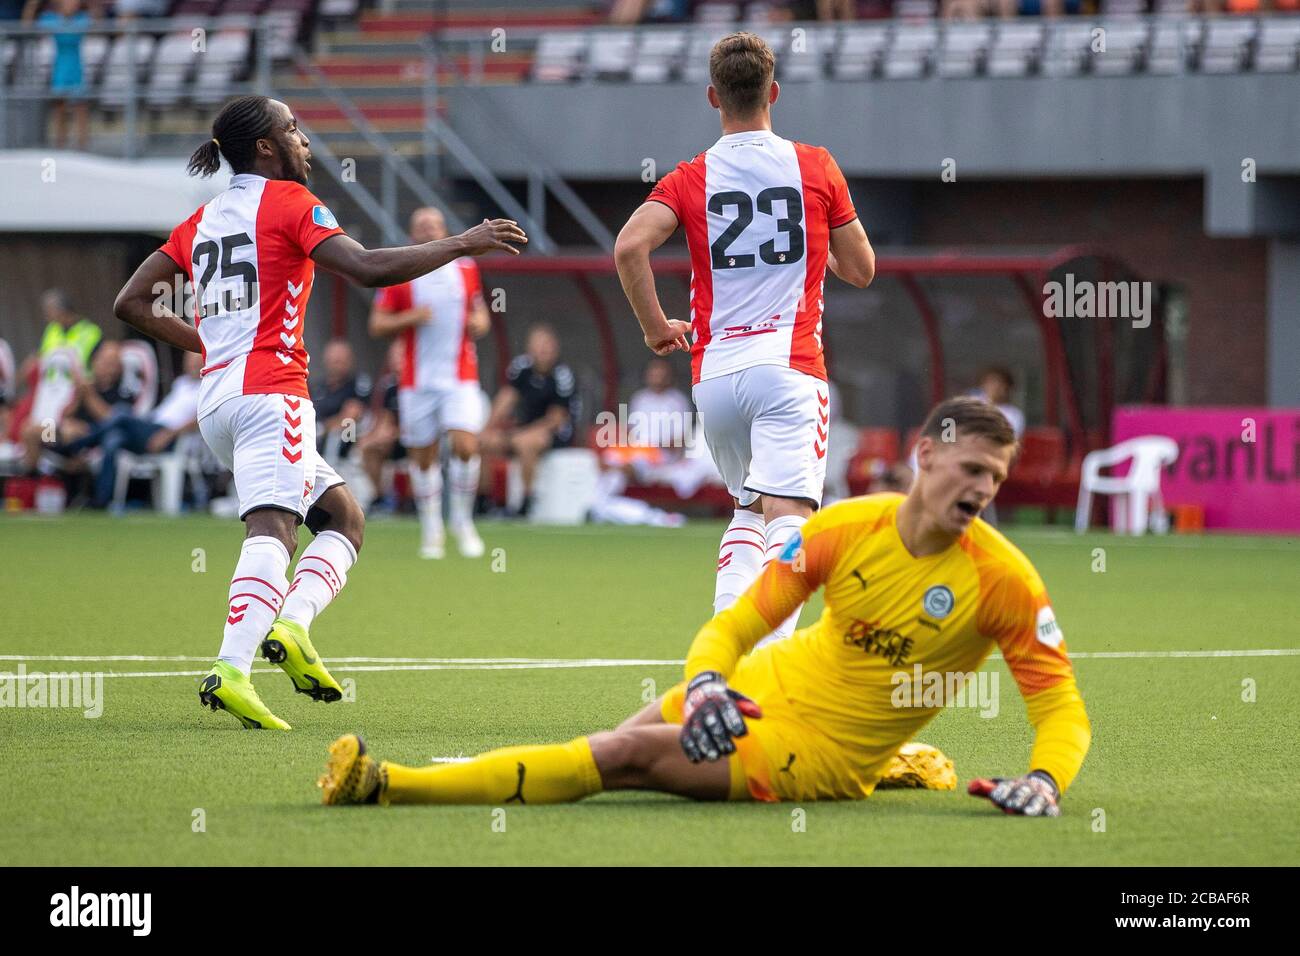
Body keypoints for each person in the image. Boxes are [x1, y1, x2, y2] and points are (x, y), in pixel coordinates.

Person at [316, 398, 1090, 816]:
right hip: (765, 688)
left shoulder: (1004, 581)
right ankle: (898, 763)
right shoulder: (844, 526)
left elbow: (1062, 709)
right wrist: (713, 681)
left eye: (994, 476)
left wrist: (1047, 781)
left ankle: (389, 785)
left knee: (623, 763)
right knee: (610, 740)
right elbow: (739, 623)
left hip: (814, 756)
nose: (983, 490)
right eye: (970, 469)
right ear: (926, 457)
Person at [111, 94, 526, 731]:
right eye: (294, 129)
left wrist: (207, 343)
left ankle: (294, 627)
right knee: (274, 528)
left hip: (219, 401)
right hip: (271, 395)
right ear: (268, 148)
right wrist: (464, 243)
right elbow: (365, 269)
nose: (305, 141)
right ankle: (230, 668)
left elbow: (131, 302)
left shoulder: (203, 219)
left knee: (343, 517)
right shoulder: (291, 203)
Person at [614, 31, 875, 652]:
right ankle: (766, 666)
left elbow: (629, 246)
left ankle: (723, 651)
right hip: (790, 370)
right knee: (790, 520)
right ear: (774, 92)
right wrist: (819, 247)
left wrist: (655, 328)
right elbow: (861, 268)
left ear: (713, 97)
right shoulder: (815, 165)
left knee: (746, 511)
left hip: (716, 376)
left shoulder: (691, 177)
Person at [370, 207, 491, 559]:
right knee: (423, 458)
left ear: (444, 230)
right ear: (412, 234)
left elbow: (480, 312)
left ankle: (463, 521)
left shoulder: (466, 269)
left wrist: (479, 324)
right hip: (415, 380)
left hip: (460, 377)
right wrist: (412, 317)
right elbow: (377, 324)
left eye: (434, 225)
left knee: (465, 444)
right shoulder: (401, 273)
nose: (428, 231)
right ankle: (431, 527)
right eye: (421, 226)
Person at [61, 350, 203, 508]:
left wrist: (169, 434)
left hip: (168, 437)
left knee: (121, 414)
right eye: (190, 360)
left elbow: (200, 419)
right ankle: (101, 501)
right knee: (113, 439)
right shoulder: (181, 383)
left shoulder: (206, 386)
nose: (193, 364)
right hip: (151, 428)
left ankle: (79, 443)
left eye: (197, 360)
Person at [479, 323, 579, 514]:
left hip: (554, 433)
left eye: (547, 346)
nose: (543, 351)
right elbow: (506, 398)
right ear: (530, 348)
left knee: (526, 444)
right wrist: (488, 427)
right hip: (522, 430)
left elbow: (556, 419)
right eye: (538, 346)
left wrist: (521, 435)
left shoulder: (562, 375)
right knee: (484, 442)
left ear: (555, 348)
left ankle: (525, 502)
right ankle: (484, 501)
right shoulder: (521, 367)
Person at [22, 0, 95, 151]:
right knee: (60, 106)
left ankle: (83, 147)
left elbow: (100, 26)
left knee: (80, 107)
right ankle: (60, 146)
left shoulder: (82, 18)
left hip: (77, 67)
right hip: (60, 66)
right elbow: (26, 27)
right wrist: (32, 5)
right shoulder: (50, 18)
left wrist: (94, 5)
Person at [310, 338, 370, 462]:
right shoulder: (317, 388)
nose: (339, 363)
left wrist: (322, 428)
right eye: (335, 360)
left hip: (346, 444)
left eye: (342, 359)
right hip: (314, 445)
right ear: (326, 360)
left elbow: (350, 417)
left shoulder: (358, 385)